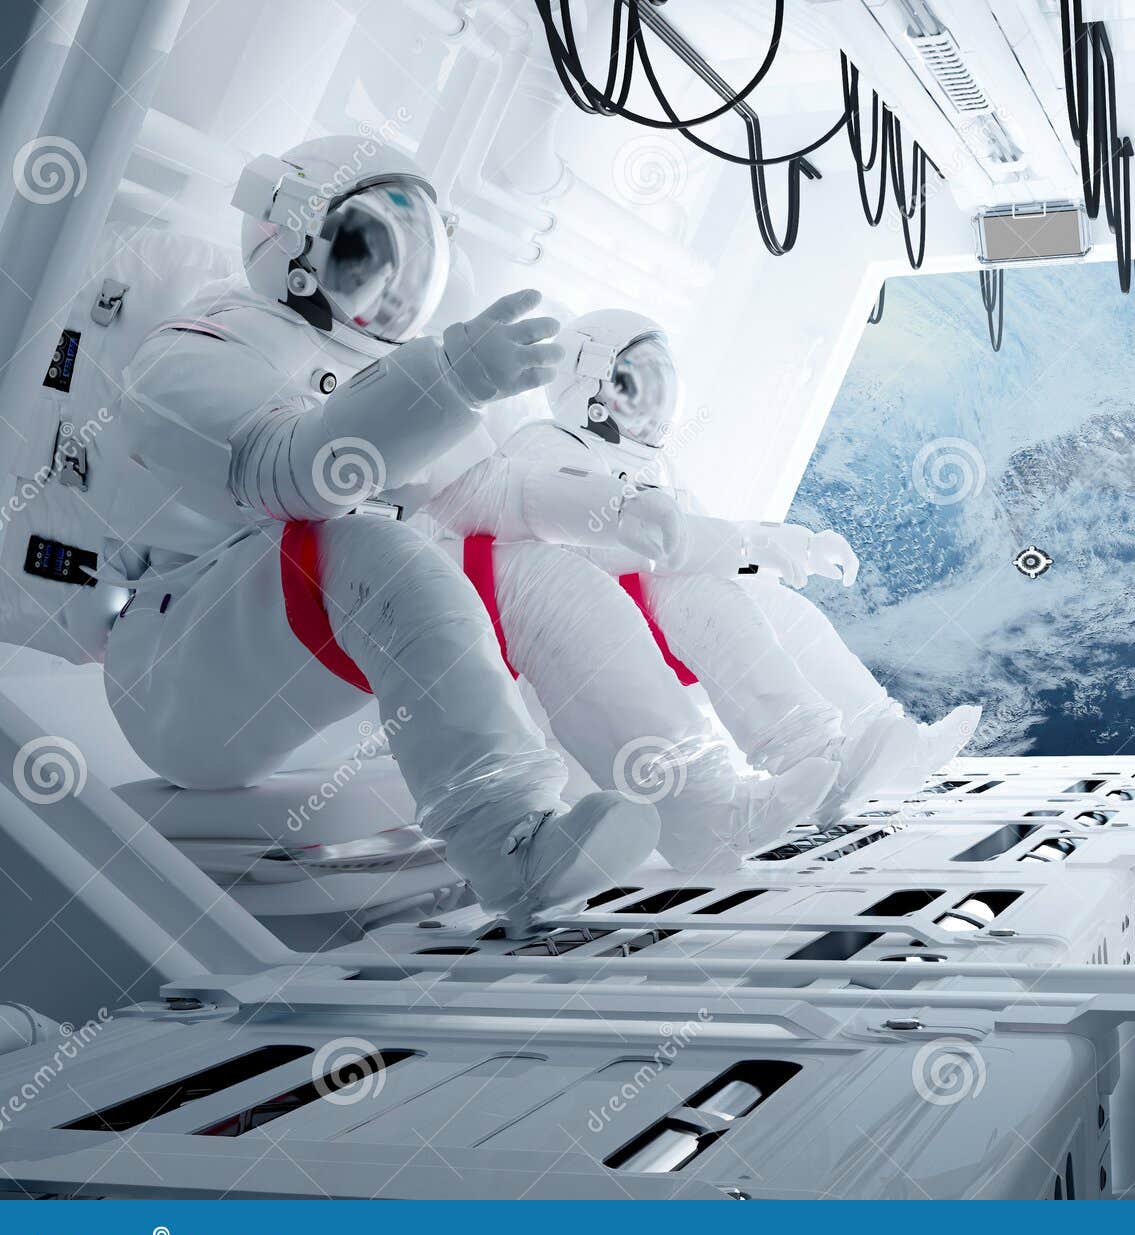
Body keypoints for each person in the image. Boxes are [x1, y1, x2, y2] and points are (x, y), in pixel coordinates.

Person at [106, 136, 658, 927]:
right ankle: (510, 848)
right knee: (375, 548)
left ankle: (657, 791)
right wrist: (448, 380)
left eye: (409, 259)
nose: (388, 283)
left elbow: (484, 489)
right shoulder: (196, 351)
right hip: (171, 677)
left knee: (519, 569)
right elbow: (290, 469)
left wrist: (618, 509)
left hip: (280, 684)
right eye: (364, 251)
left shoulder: (387, 367)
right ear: (292, 245)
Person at [454, 308, 980, 831]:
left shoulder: (651, 465)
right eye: (636, 385)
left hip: (641, 620)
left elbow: (700, 532)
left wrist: (794, 545)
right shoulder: (547, 445)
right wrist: (776, 549)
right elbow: (639, 548)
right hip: (577, 645)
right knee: (698, 589)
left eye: (659, 382)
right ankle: (813, 759)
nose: (655, 402)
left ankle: (891, 743)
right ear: (590, 393)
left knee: (778, 608)